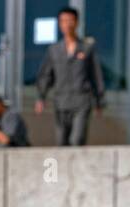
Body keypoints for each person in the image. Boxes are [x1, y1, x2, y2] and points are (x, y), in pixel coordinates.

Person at [34, 6, 105, 146]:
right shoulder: (54, 50)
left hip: (82, 100)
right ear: (59, 24)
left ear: (77, 23)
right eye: (63, 21)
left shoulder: (87, 48)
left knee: (77, 140)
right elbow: (46, 75)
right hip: (61, 101)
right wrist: (41, 97)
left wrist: (99, 100)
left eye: (70, 20)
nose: (67, 24)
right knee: (61, 141)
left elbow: (96, 75)